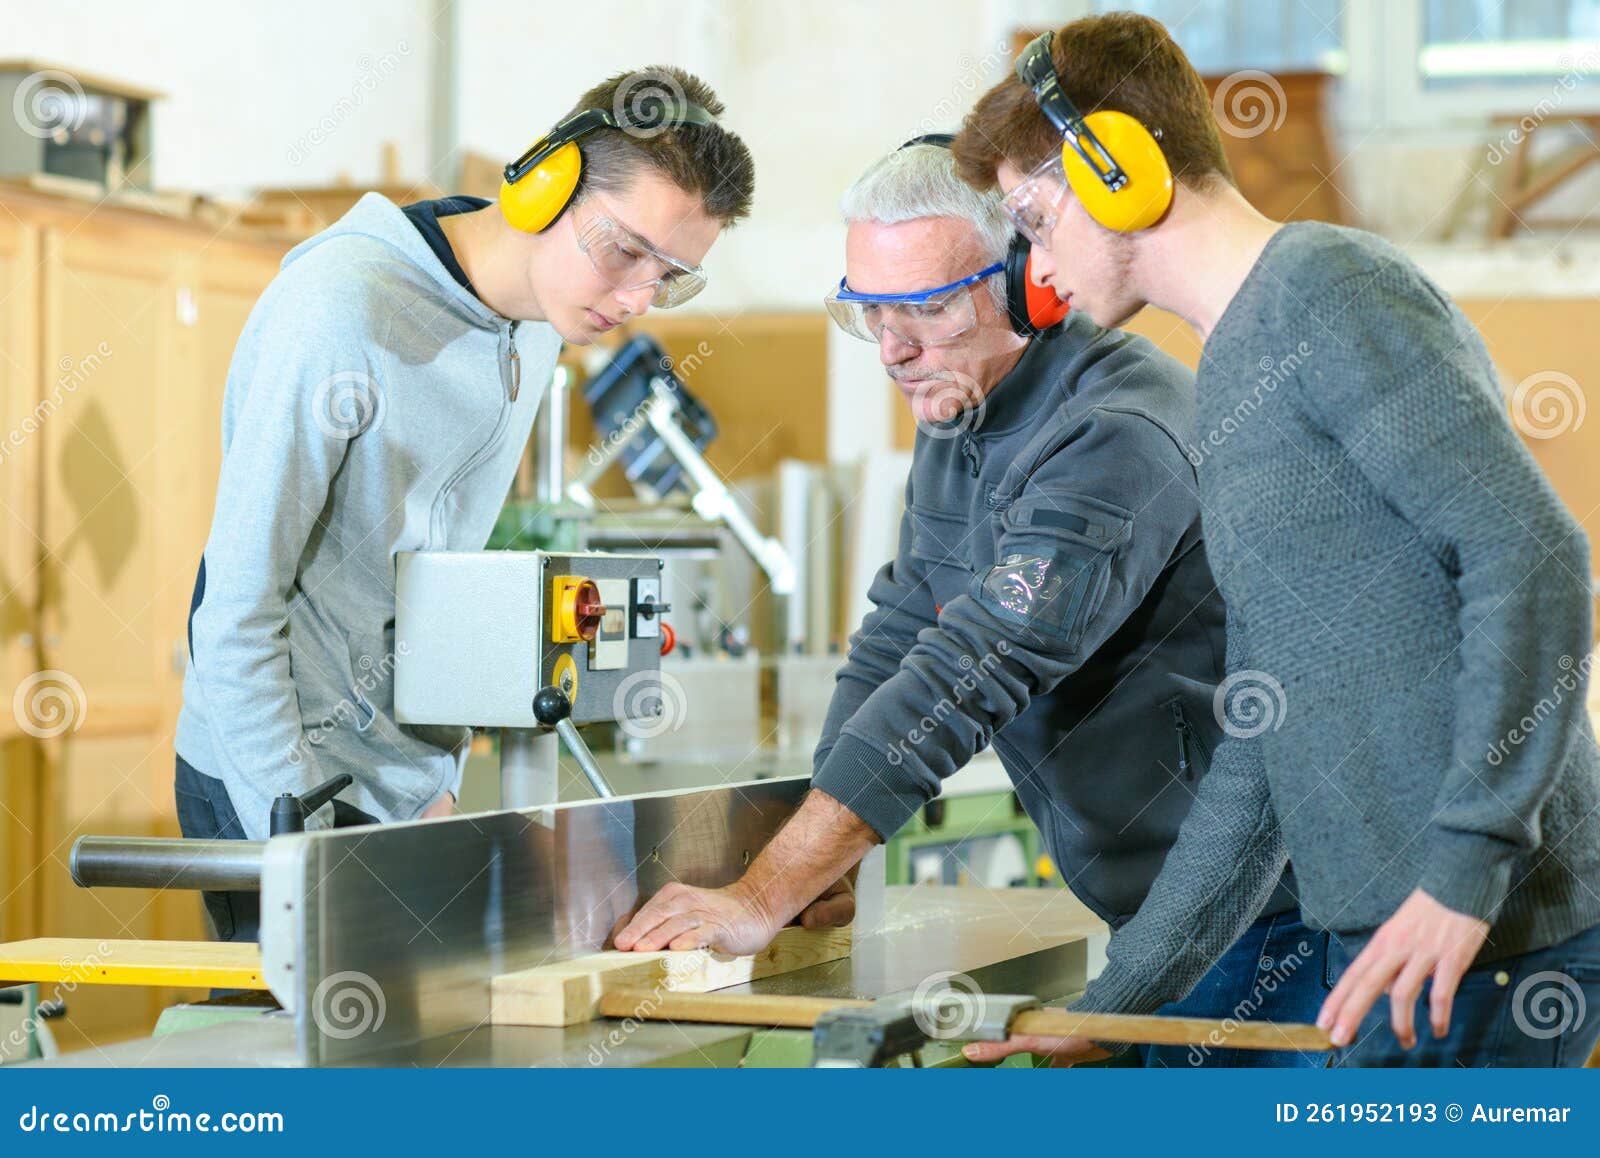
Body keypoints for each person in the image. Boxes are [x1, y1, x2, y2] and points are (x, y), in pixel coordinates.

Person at [951, 12, 1600, 1067]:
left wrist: (1461, 869)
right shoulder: (1231, 373)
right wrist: (1121, 1001)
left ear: (1119, 172)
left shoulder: (1327, 292)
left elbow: (1529, 554)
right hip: (1394, 934)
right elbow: (1263, 732)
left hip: (1479, 941)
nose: (1037, 264)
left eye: (1033, 214)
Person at [615, 137, 1329, 1066]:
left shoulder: (1113, 435)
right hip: (1168, 911)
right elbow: (904, 629)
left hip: (1280, 921)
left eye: (928, 310)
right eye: (867, 312)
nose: (893, 349)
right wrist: (830, 857)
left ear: (1035, 281)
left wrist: (757, 900)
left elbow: (972, 669)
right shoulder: (964, 406)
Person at [175, 67, 754, 943]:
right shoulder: (340, 310)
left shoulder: (536, 327)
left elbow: (425, 586)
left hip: (407, 790)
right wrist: (302, 832)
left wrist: (431, 779)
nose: (638, 299)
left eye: (670, 276)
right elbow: (234, 607)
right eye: (625, 250)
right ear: (542, 184)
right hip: (279, 781)